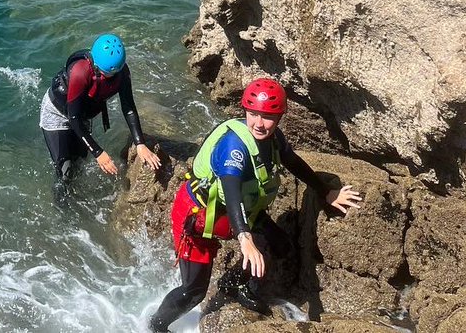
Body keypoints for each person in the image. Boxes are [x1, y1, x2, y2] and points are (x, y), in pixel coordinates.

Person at [148, 78, 363, 331]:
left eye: (268, 117)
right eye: (253, 114)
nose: (259, 124)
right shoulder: (233, 148)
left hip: (242, 211)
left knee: (281, 247)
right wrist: (244, 238)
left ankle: (234, 285)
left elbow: (293, 162)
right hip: (202, 215)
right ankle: (156, 326)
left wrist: (326, 192)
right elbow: (231, 188)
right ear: (245, 111)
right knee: (193, 292)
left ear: (280, 117)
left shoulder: (273, 139)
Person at [39, 33, 162, 205]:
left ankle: (79, 198)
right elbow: (73, 118)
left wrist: (140, 143)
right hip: (58, 113)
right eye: (105, 74)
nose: (109, 78)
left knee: (79, 162)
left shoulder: (121, 72)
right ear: (95, 64)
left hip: (81, 114)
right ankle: (63, 211)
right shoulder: (80, 72)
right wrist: (99, 152)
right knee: (64, 169)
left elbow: (128, 108)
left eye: (113, 74)